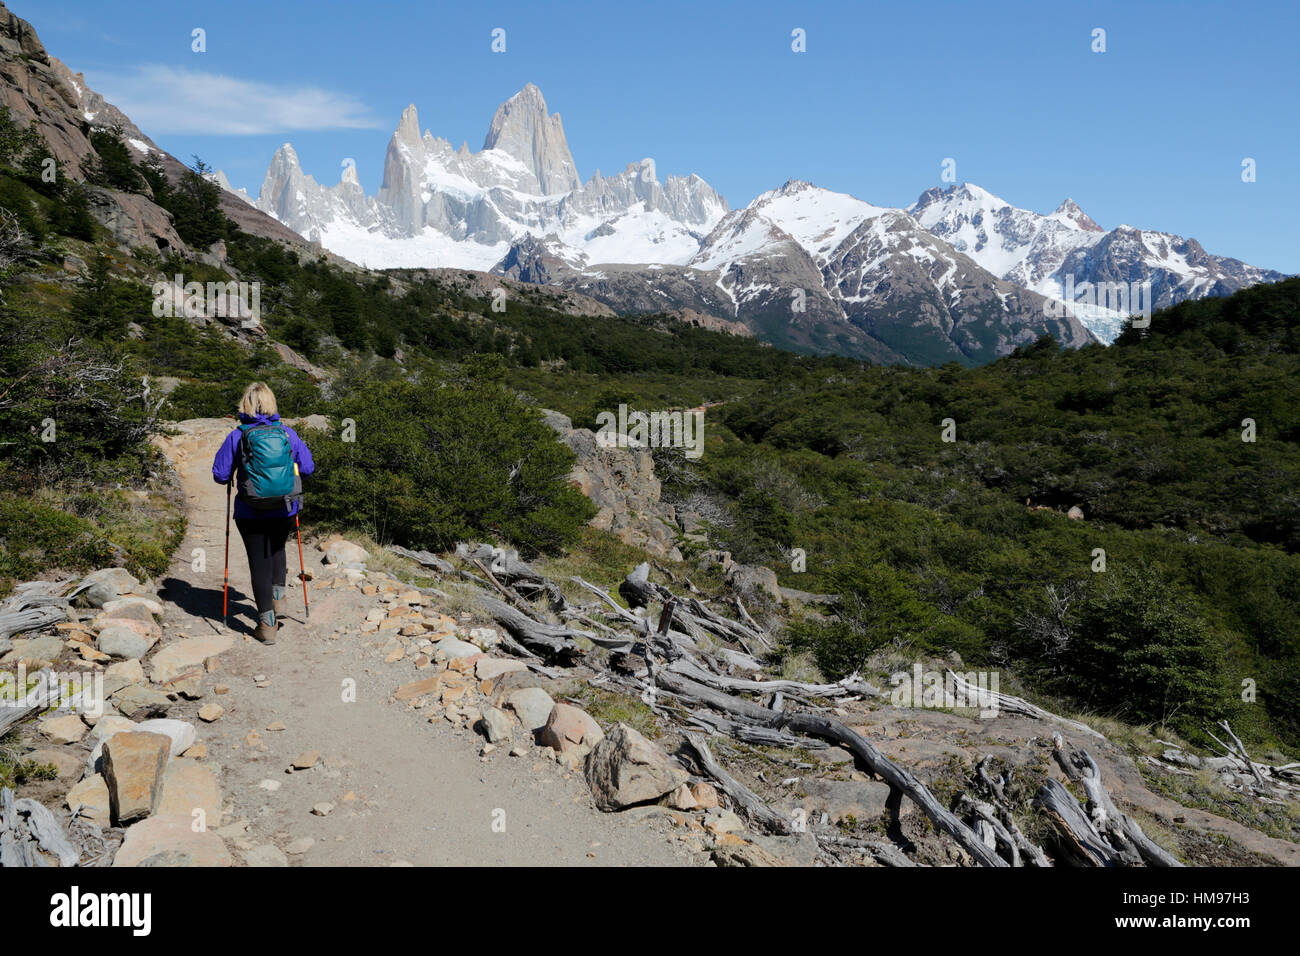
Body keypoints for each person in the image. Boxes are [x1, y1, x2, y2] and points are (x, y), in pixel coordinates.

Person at [212, 382, 315, 644]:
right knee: (278, 549)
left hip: (250, 510)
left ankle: (267, 626)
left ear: (245, 405)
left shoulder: (237, 435)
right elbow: (308, 467)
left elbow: (220, 475)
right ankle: (279, 603)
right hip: (284, 507)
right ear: (271, 404)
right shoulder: (287, 433)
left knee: (259, 562)